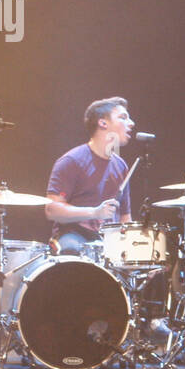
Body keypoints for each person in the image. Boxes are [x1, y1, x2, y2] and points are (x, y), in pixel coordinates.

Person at [46, 97, 134, 255]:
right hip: (74, 235)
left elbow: (125, 216)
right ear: (103, 123)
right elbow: (52, 210)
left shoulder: (121, 166)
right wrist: (94, 212)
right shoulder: (72, 161)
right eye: (123, 117)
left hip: (108, 240)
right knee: (72, 250)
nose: (131, 123)